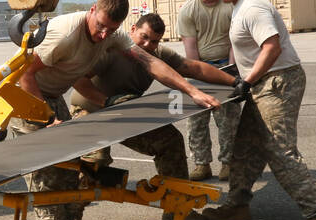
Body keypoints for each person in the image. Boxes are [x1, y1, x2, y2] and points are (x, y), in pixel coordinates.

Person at [12, 0, 221, 220]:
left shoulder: (113, 36)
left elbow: (152, 63)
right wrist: (48, 119)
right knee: (49, 175)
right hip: (25, 98)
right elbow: (24, 73)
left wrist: (192, 91)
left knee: (69, 172)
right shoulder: (65, 32)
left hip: (51, 97)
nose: (103, 35)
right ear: (93, 9)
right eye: (100, 26)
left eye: (111, 29)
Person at [192, 0, 316, 220]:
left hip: (277, 82)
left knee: (280, 151)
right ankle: (236, 206)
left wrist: (246, 81)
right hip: (264, 82)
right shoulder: (239, 5)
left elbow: (271, 47)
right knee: (245, 146)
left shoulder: (253, 7)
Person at [72, 12, 236, 188]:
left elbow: (193, 68)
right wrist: (107, 101)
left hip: (124, 113)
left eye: (154, 41)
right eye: (144, 37)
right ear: (132, 29)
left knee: (170, 141)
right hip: (90, 111)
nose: (147, 45)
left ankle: (177, 204)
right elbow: (79, 80)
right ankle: (72, 209)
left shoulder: (157, 54)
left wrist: (234, 81)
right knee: (96, 162)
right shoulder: (112, 50)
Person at [179, 0, 240, 181]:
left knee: (228, 120)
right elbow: (191, 51)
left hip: (226, 66)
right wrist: (197, 83)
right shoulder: (188, 11)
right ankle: (201, 164)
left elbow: (235, 42)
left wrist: (231, 73)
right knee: (196, 120)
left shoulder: (230, 8)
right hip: (199, 68)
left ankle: (228, 163)